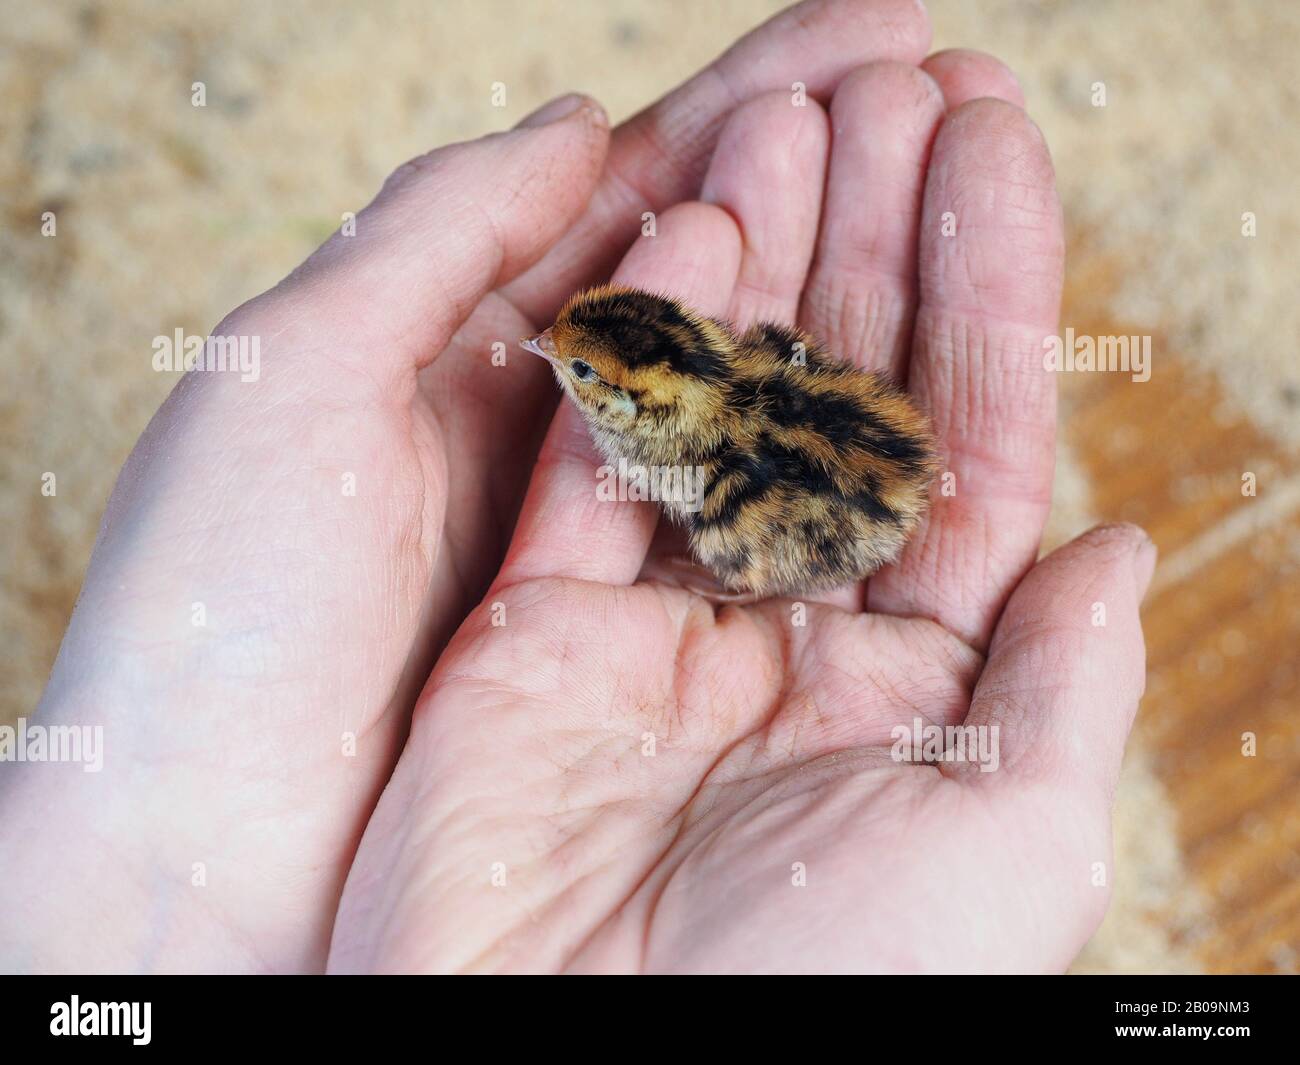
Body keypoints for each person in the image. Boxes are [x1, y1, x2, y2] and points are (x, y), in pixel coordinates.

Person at [1, 0, 1152, 973]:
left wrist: (151, 879)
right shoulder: (729, 385)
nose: (555, 364)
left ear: (642, 403)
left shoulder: (701, 469)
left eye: (583, 370)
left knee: (745, 525)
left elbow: (762, 506)